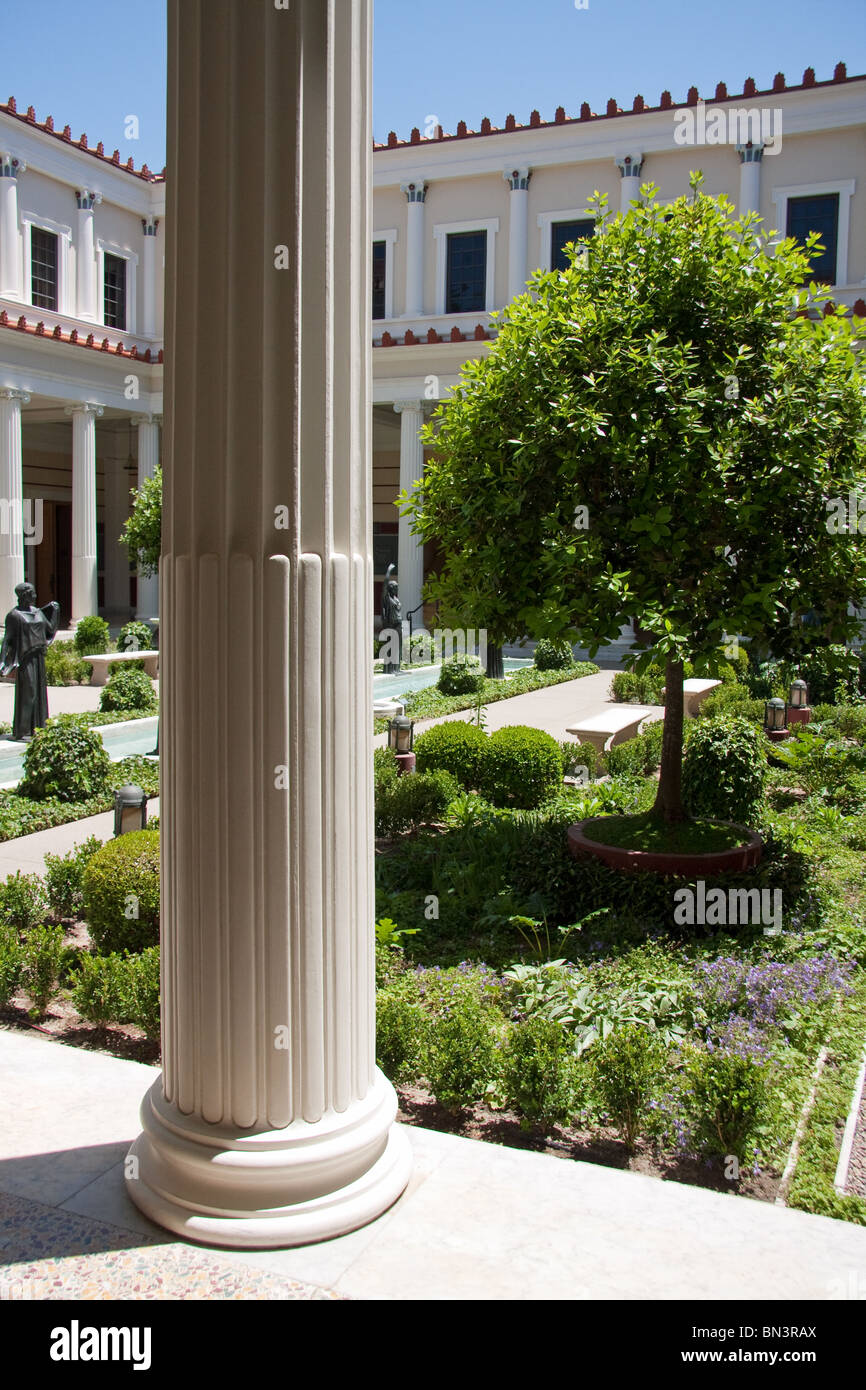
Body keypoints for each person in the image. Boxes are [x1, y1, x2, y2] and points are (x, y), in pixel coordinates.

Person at [0, 583, 61, 740]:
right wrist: (2, 661)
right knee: (30, 692)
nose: (35, 596)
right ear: (24, 595)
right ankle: (21, 731)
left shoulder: (38, 612)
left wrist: (55, 611)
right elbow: (7, 640)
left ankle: (37, 729)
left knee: (39, 694)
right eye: (32, 593)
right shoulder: (14, 615)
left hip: (39, 657)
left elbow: (50, 629)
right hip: (26, 659)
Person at [380, 564, 402, 674]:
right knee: (390, 647)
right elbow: (385, 584)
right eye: (396, 587)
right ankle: (389, 669)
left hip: (398, 624)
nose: (397, 588)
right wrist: (389, 570)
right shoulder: (387, 598)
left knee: (398, 646)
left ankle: (396, 668)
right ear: (391, 588)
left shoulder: (396, 598)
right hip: (390, 625)